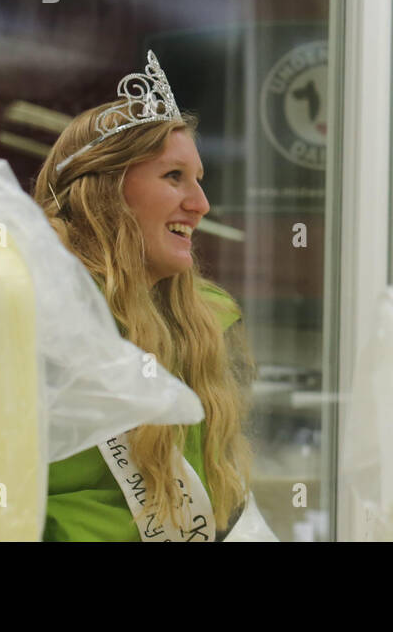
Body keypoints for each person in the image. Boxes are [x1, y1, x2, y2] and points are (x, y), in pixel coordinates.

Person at [34, 51, 255, 541]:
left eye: (199, 180)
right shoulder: (29, 311)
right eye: (173, 176)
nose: (200, 204)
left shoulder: (205, 319)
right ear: (106, 190)